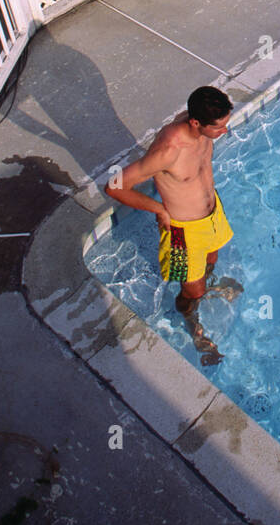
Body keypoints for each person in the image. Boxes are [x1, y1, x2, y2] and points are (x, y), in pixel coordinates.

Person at [104, 86, 242, 365]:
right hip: (183, 233)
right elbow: (114, 185)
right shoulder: (168, 150)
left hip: (213, 216)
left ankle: (209, 285)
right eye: (219, 128)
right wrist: (158, 209)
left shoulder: (199, 124)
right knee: (193, 291)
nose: (225, 132)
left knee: (212, 259)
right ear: (195, 123)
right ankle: (192, 323)